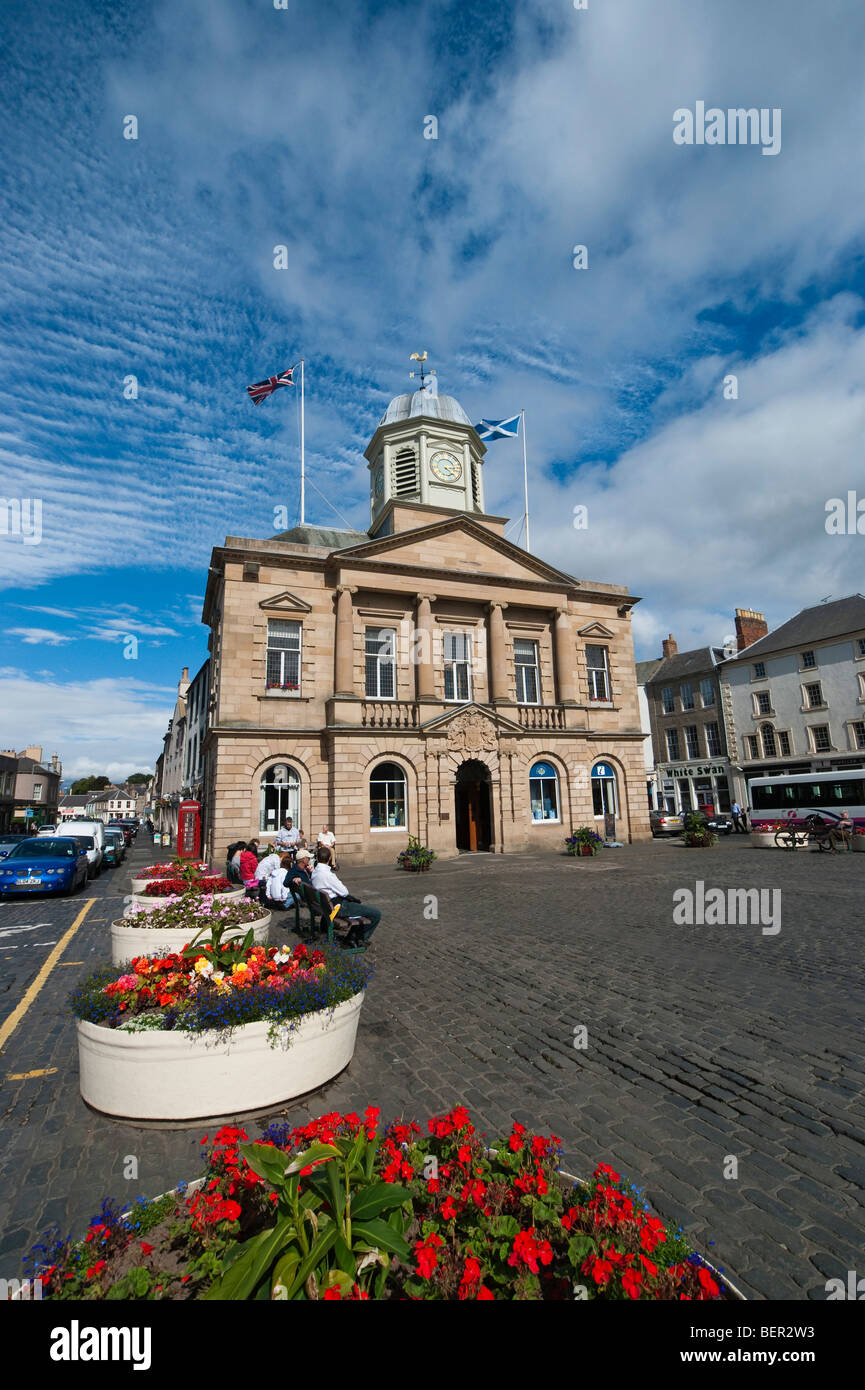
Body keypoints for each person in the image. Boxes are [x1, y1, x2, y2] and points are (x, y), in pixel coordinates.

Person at [311, 847, 380, 947]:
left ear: (317, 858)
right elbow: (344, 892)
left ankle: (352, 936)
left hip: (325, 906)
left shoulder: (315, 872)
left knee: (358, 908)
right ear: (330, 858)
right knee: (375, 914)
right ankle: (358, 938)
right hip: (338, 907)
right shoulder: (327, 875)